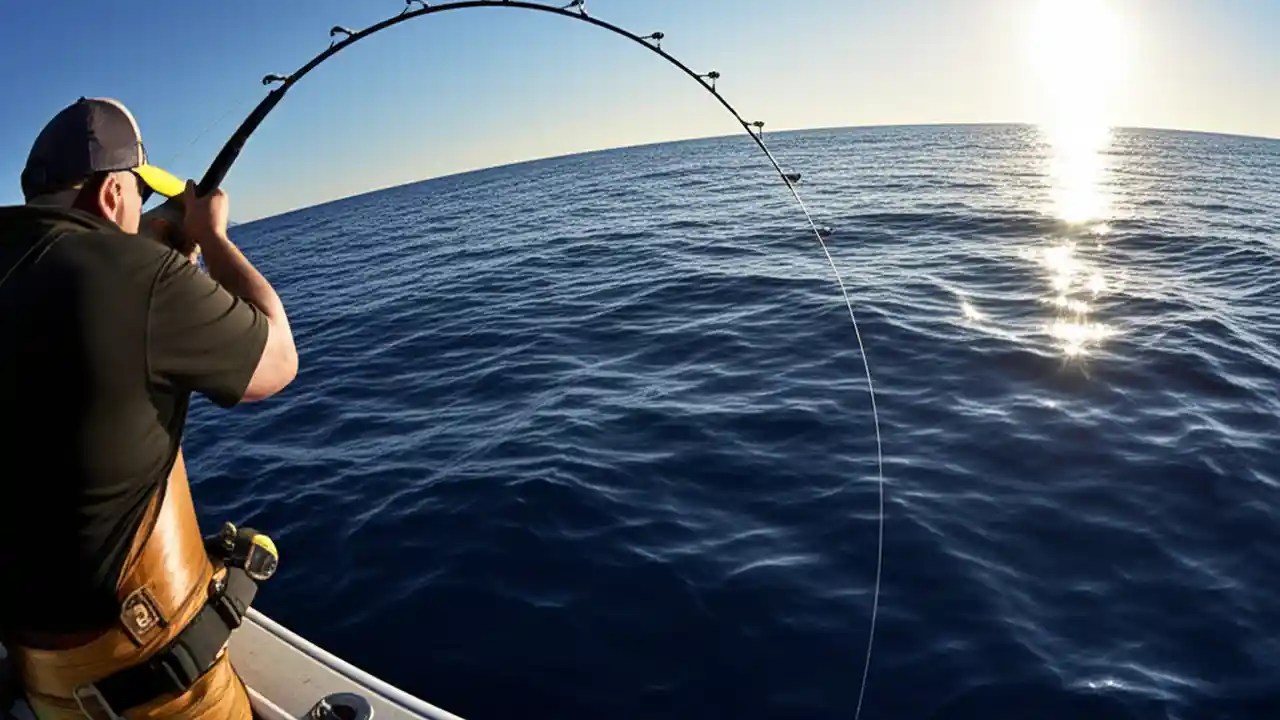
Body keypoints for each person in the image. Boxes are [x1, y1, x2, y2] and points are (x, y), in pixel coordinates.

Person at [0, 97, 298, 718]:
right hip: (149, 688)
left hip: (31, 674)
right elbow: (276, 364)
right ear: (113, 195)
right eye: (138, 194)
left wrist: (155, 246)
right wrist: (211, 239)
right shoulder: (134, 274)